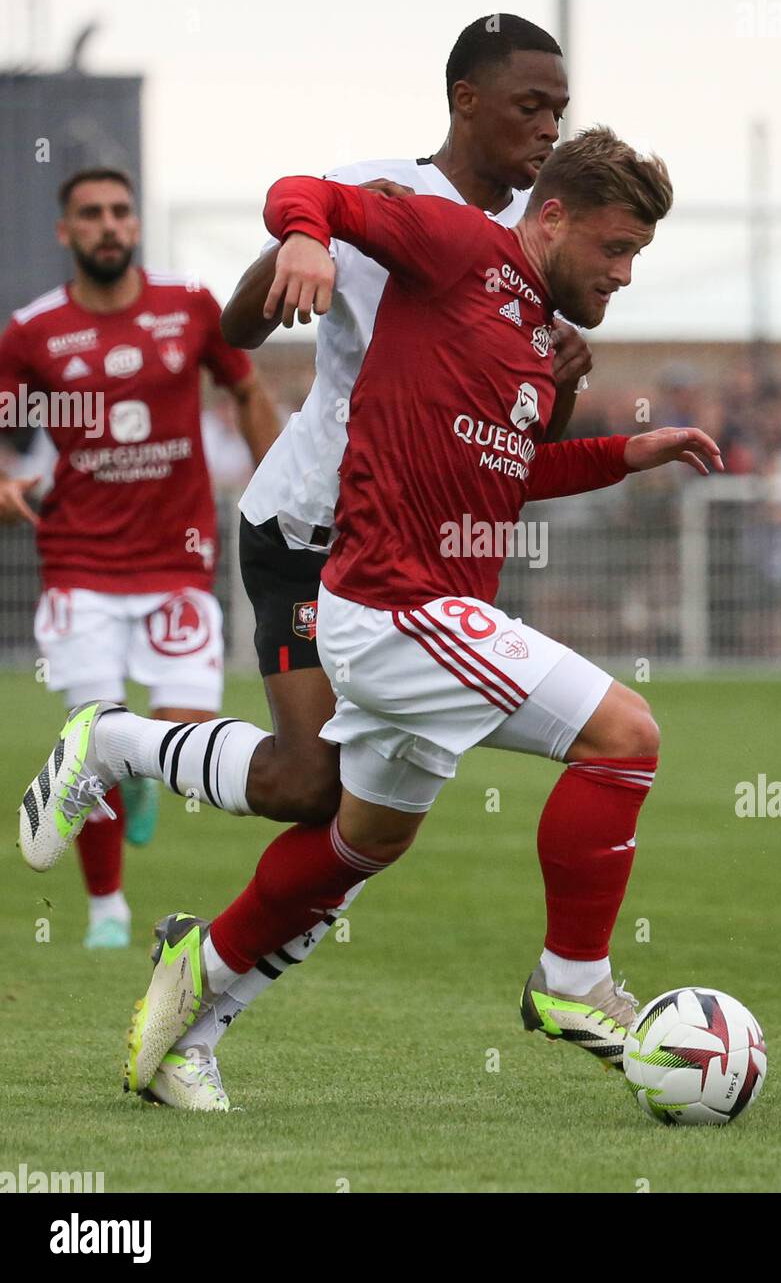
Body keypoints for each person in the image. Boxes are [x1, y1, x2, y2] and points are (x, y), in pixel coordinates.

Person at [22, 126, 723, 1111]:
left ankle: (190, 976)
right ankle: (572, 986)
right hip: (396, 608)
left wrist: (623, 453)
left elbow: (509, 477)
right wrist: (305, 239)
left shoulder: (532, 340)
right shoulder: (455, 245)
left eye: (635, 256)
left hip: (422, 614)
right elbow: (304, 189)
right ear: (552, 218)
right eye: (613, 249)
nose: (623, 274)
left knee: (354, 845)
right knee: (624, 735)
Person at [3, 168, 279, 955]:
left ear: (135, 225)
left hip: (178, 560)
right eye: (90, 214)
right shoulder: (31, 332)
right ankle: (106, 910)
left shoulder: (189, 307)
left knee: (188, 734)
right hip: (78, 565)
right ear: (66, 232)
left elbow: (249, 390)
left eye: (120, 211)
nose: (108, 225)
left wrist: (274, 490)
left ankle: (141, 767)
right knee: (88, 736)